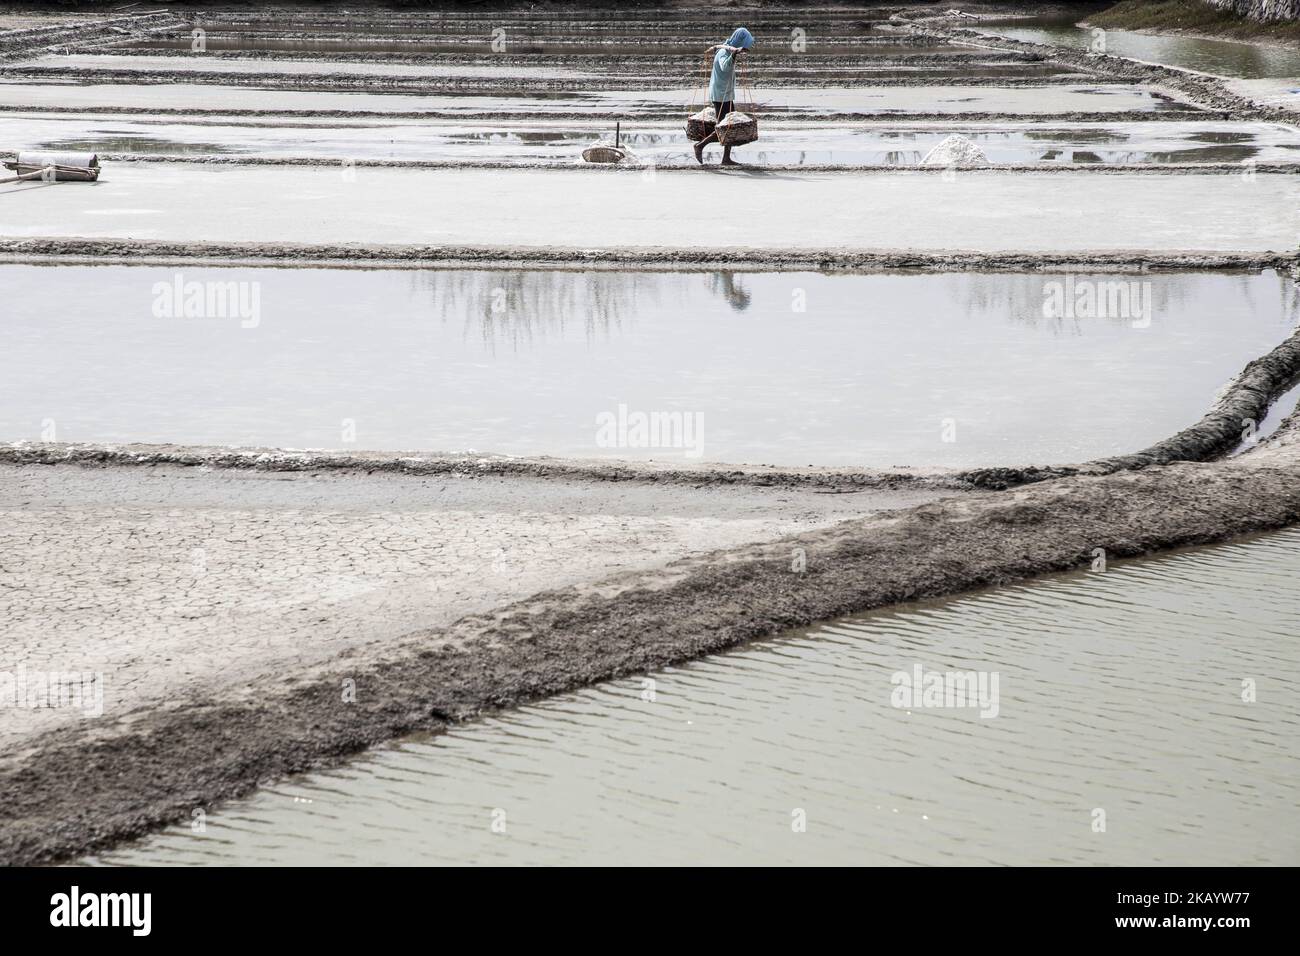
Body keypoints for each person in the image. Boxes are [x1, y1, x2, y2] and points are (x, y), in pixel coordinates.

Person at [694, 27, 754, 167]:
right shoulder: (722, 52)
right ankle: (700, 146)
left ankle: (726, 158)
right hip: (720, 95)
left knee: (729, 125)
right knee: (724, 127)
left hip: (726, 94)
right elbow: (724, 67)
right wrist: (733, 54)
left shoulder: (727, 50)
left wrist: (735, 53)